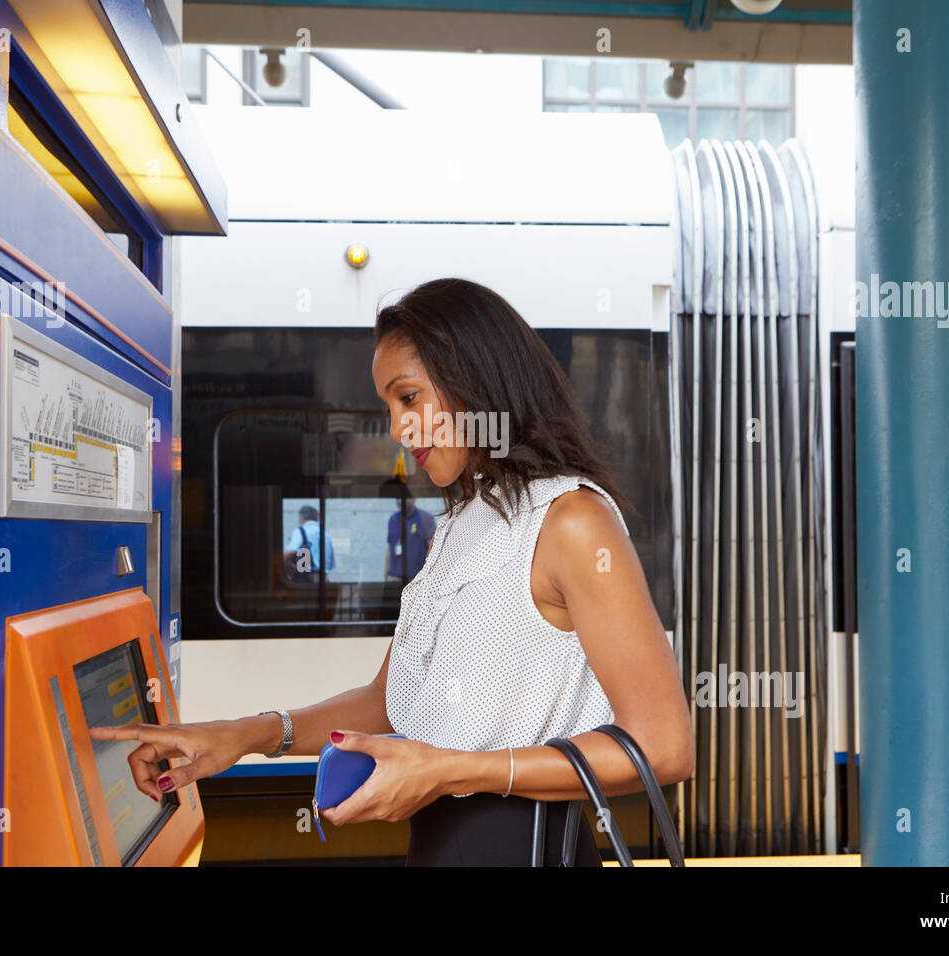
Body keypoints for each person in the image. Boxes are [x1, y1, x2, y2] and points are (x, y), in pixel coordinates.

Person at [91, 277, 694, 866]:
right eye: (389, 406)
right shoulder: (463, 523)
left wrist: (450, 769)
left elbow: (663, 747)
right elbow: (388, 704)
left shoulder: (572, 521)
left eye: (409, 398)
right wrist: (241, 735)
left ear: (477, 380)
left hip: (526, 845)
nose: (399, 428)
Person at [384, 489, 435, 582]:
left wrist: (428, 576)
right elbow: (389, 549)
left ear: (414, 498)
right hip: (394, 577)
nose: (400, 501)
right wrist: (386, 575)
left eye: (405, 498)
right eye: (398, 498)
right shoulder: (393, 519)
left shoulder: (425, 518)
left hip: (416, 578)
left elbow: (432, 549)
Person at [282, 505, 334, 580]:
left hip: (306, 579)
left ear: (301, 518)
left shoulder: (300, 531)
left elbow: (291, 551)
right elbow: (330, 564)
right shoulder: (326, 535)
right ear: (316, 518)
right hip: (324, 579)